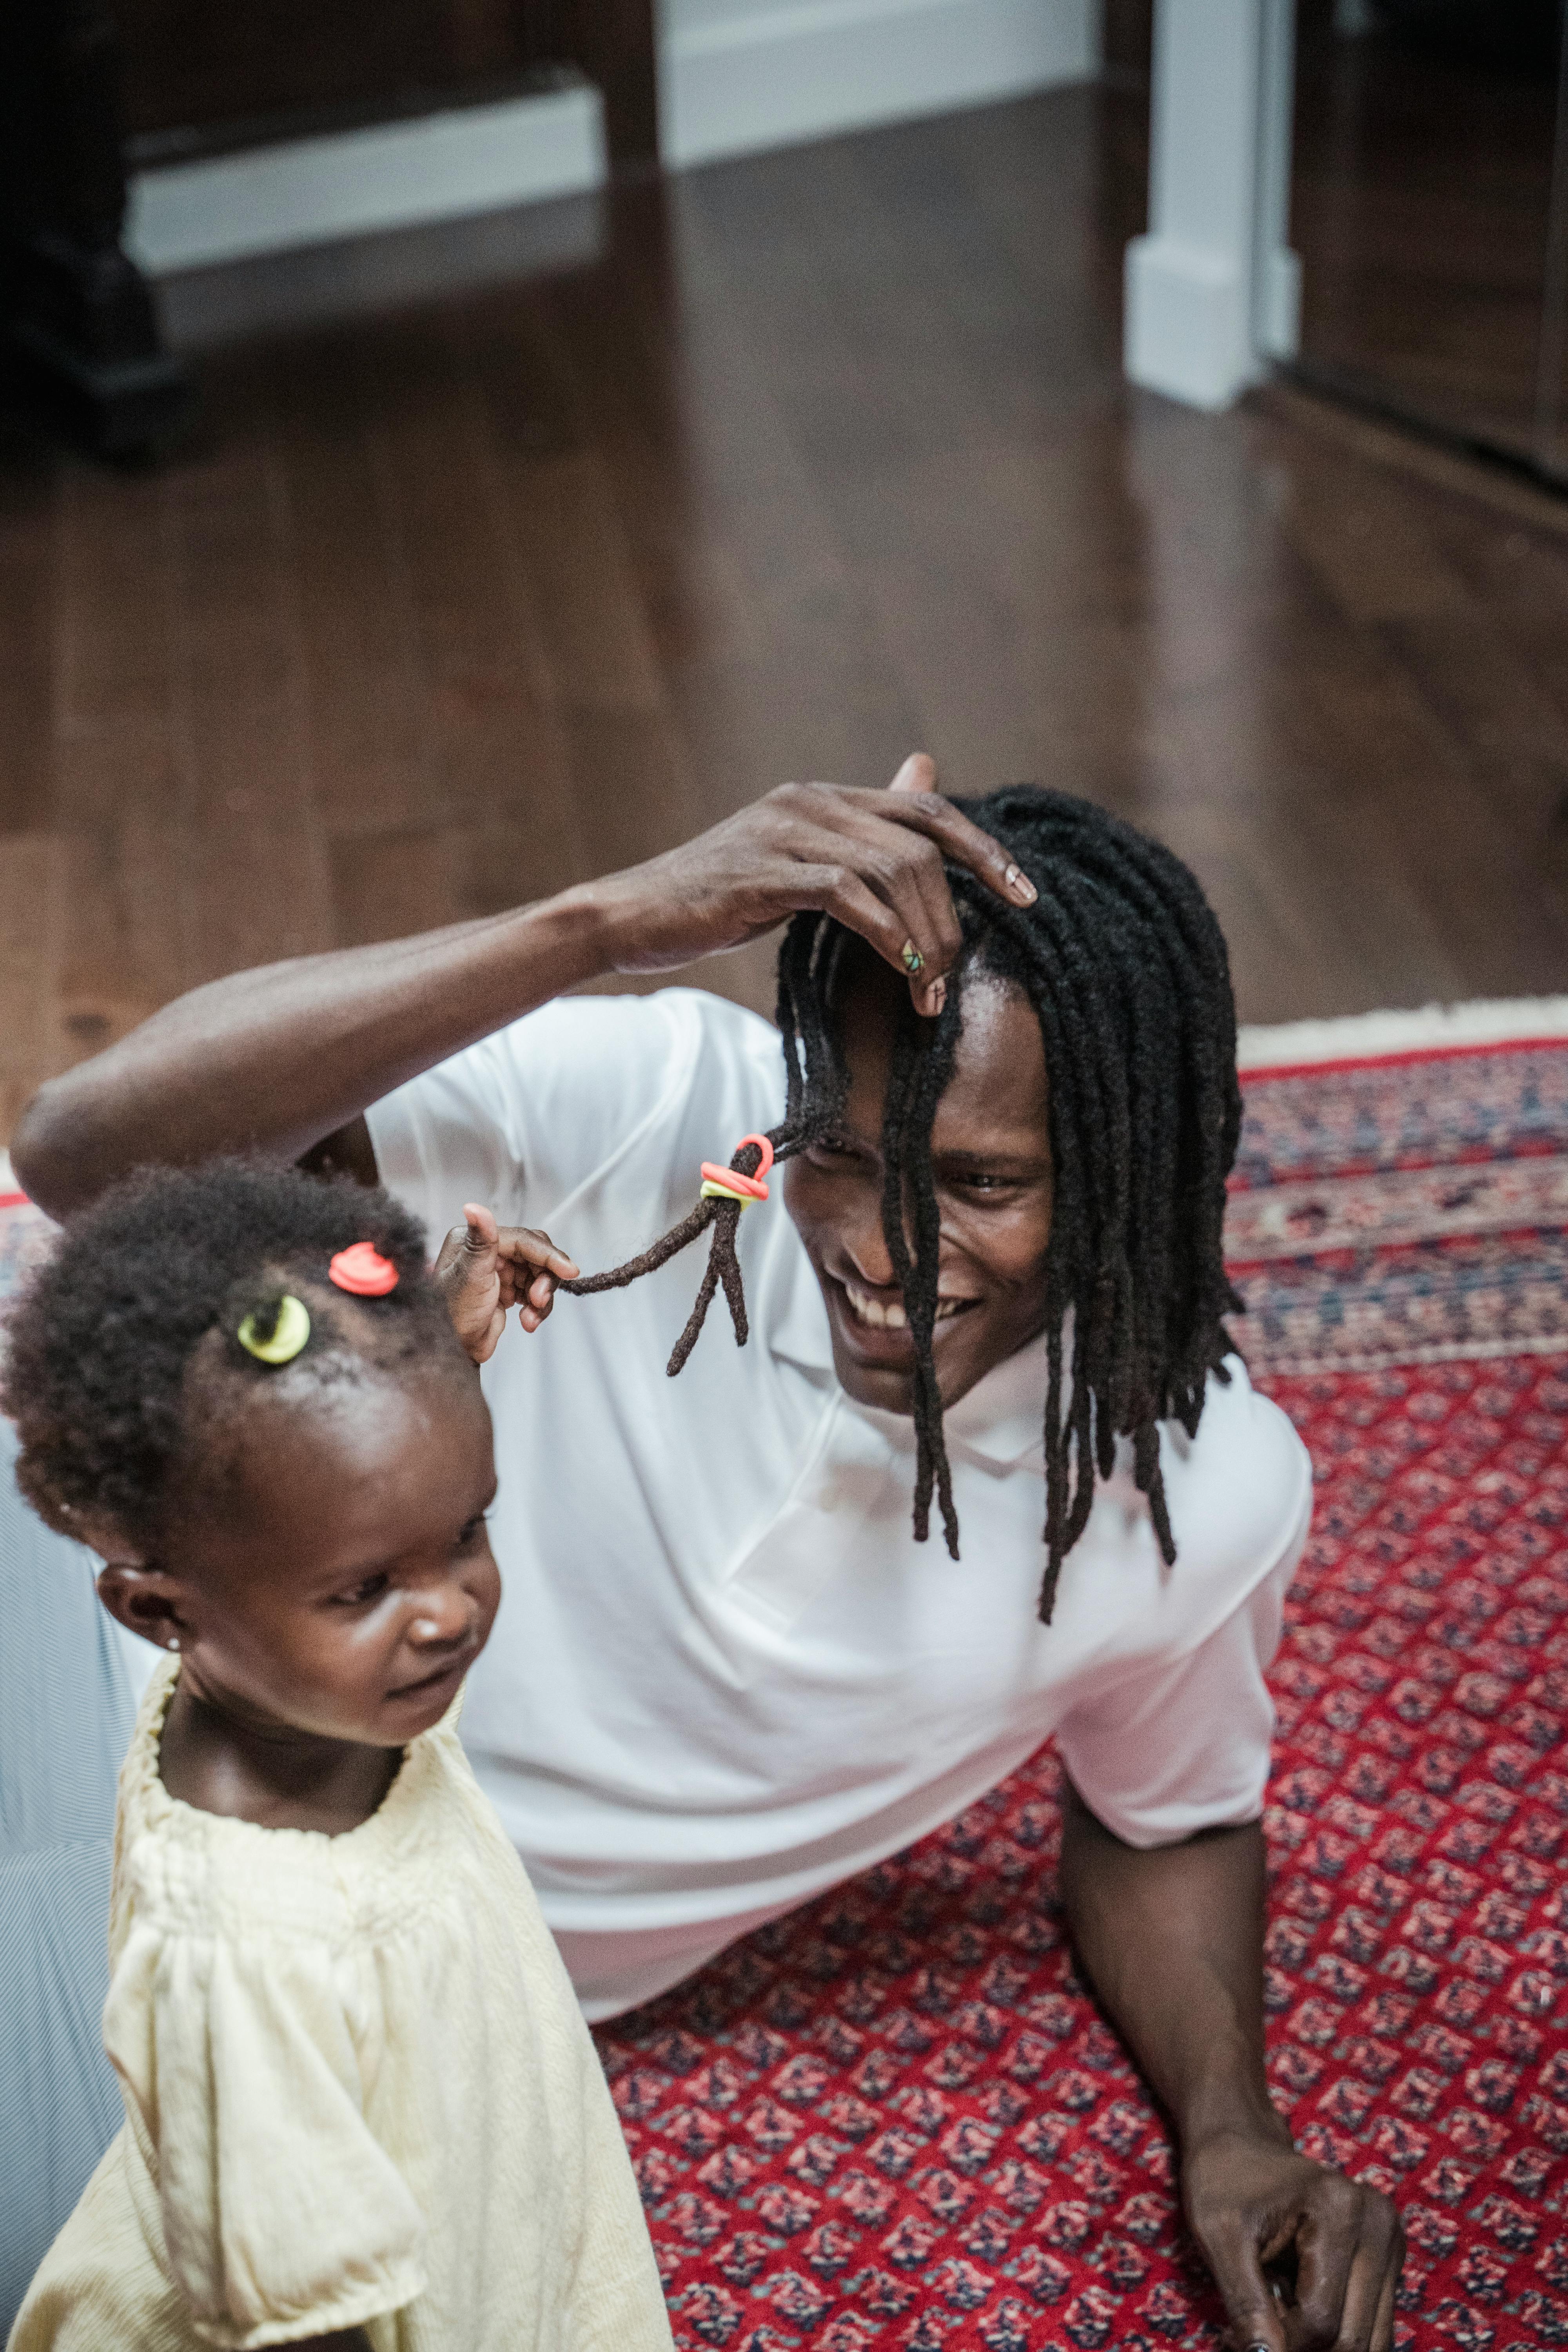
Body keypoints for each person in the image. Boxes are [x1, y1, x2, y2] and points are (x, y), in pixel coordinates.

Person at [13, 759, 1405, 2352]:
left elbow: (1169, 1819)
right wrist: (593, 927)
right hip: (99, 1675)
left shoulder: (1193, 1497)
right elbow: (84, 1153)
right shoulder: (668, 1106)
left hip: (369, 1976)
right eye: (837, 1151)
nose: (878, 1247)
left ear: (1131, 1176)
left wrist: (1232, 2126)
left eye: (980, 1185)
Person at [2, 1162, 671, 2352]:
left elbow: (341, 1492)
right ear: (159, 1615)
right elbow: (297, 2318)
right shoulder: (240, 1949)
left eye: (467, 1531)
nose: (447, 1613)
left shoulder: (315, 1674)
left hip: (478, 2182)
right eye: (368, 1585)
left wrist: (427, 1353)